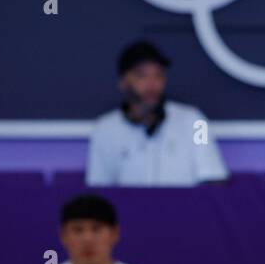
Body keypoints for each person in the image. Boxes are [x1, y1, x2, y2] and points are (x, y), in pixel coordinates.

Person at [85, 40, 228, 187]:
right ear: (123, 82)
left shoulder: (197, 122)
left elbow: (214, 181)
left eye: (158, 75)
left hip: (186, 209)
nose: (152, 84)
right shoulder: (103, 129)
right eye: (141, 75)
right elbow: (99, 189)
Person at [0, 194, 181, 264]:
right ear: (63, 236)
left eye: (96, 229)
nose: (87, 239)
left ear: (114, 234)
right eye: (78, 230)